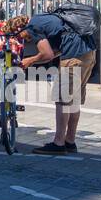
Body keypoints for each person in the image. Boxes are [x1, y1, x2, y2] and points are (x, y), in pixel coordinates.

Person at [15, 12, 96, 155]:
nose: (26, 41)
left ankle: (59, 143)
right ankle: (70, 141)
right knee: (73, 100)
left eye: (21, 37)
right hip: (88, 53)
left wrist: (30, 60)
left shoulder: (33, 26)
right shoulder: (45, 18)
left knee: (63, 100)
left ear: (20, 29)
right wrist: (35, 59)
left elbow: (47, 55)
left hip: (73, 56)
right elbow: (56, 51)